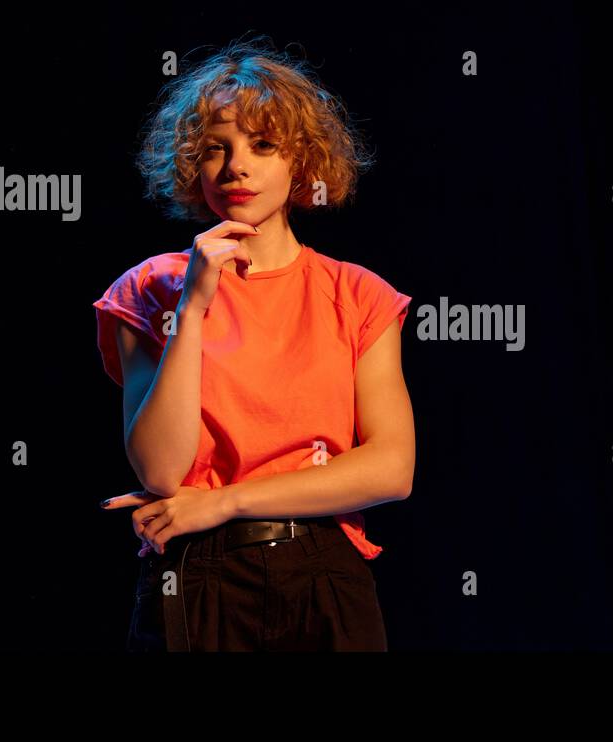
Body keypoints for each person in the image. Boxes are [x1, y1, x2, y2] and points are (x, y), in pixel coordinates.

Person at [92, 38, 414, 651]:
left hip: (322, 570)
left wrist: (224, 502)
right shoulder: (150, 287)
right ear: (193, 166)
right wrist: (192, 303)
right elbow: (160, 469)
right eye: (216, 149)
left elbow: (391, 469)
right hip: (194, 569)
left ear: (302, 161)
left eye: (262, 146)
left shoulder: (358, 294)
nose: (236, 166)